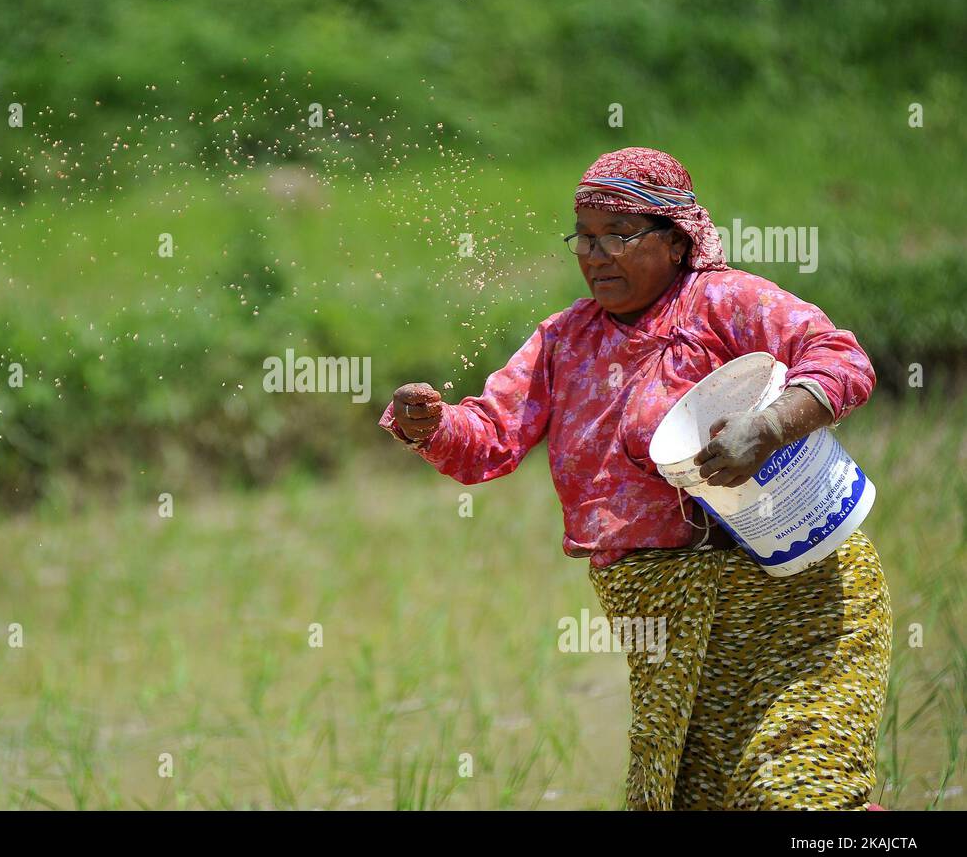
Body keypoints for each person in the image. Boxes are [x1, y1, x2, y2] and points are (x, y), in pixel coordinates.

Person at [379, 147, 892, 810]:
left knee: (795, 793)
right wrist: (431, 424)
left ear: (677, 242)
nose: (596, 255)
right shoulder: (564, 342)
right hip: (666, 628)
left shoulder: (726, 304)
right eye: (584, 238)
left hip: (796, 595)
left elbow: (840, 359)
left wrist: (766, 428)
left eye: (619, 236)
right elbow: (489, 441)